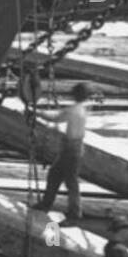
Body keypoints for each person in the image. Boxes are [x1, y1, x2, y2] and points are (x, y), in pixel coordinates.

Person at [32, 81, 92, 224]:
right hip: (73, 149)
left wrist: (37, 112)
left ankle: (74, 213)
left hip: (71, 149)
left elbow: (56, 117)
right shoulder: (82, 109)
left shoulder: (74, 110)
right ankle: (46, 204)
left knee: (70, 181)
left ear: (75, 95)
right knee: (55, 175)